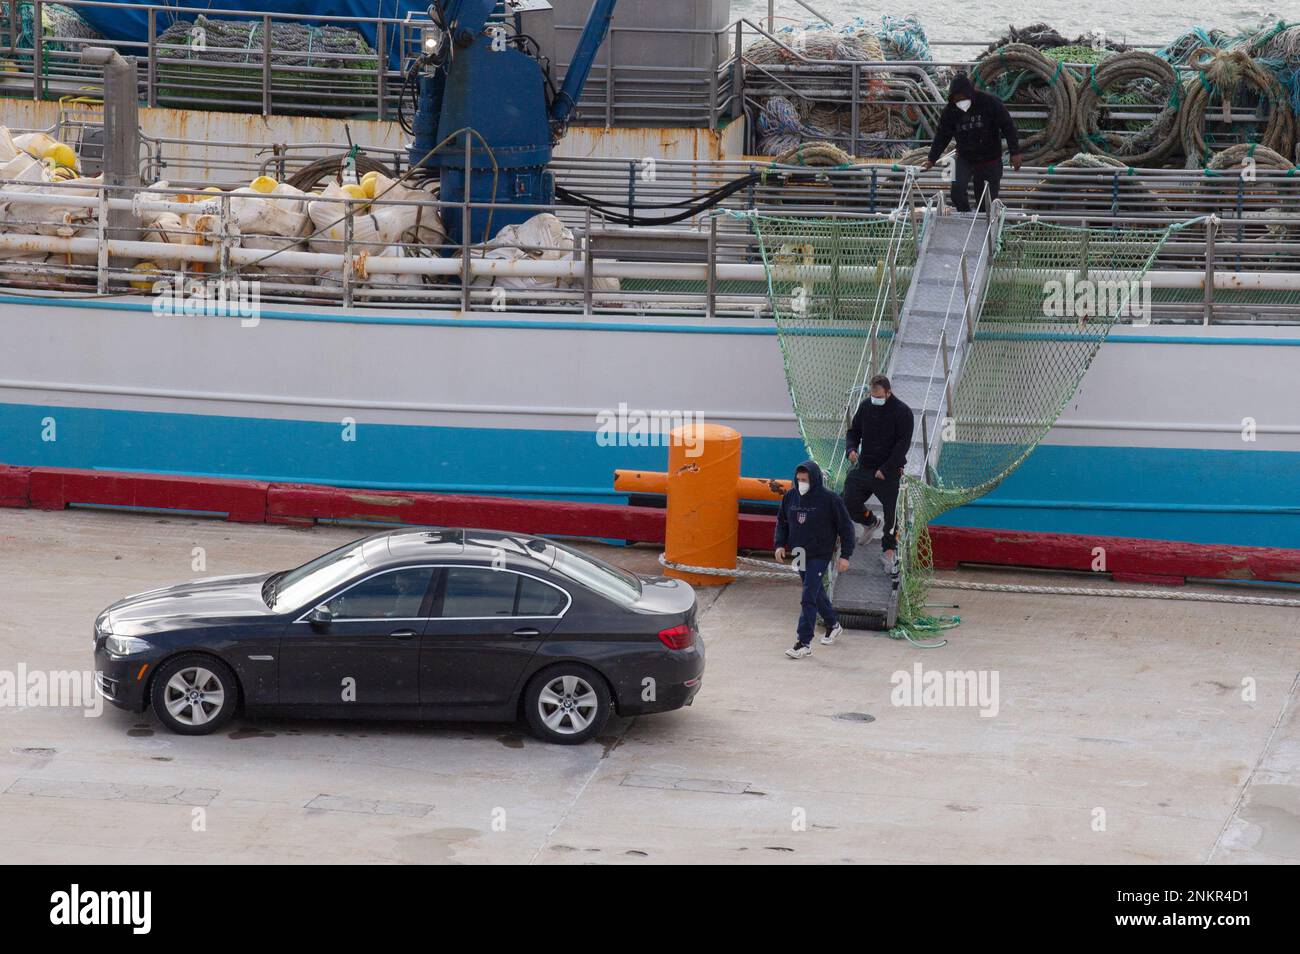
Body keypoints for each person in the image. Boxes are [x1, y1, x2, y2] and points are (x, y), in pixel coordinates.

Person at [774, 460, 855, 659]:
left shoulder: (830, 499)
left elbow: (846, 527)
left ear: (814, 479)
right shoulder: (791, 497)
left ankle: (804, 642)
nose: (801, 483)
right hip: (799, 552)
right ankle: (833, 623)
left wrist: (845, 555)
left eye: (805, 479)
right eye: (798, 479)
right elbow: (782, 521)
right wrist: (779, 544)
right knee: (814, 589)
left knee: (808, 595)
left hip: (820, 553)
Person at [921, 72, 1022, 212]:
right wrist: (932, 159)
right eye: (956, 99)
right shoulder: (950, 111)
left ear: (970, 93)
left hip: (990, 158)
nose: (960, 102)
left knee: (986, 202)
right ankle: (965, 215)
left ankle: (983, 224)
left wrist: (1014, 152)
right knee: (957, 191)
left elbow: (1008, 126)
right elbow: (942, 135)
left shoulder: (990, 102)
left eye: (962, 98)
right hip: (965, 158)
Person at [843, 375, 914, 572]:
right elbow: (854, 431)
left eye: (879, 396)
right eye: (873, 396)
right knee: (847, 499)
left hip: (888, 472)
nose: (875, 399)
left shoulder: (903, 412)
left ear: (888, 393)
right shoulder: (866, 406)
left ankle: (888, 550)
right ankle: (870, 521)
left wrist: (887, 468)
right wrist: (851, 449)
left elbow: (903, 444)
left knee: (892, 512)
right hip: (865, 466)